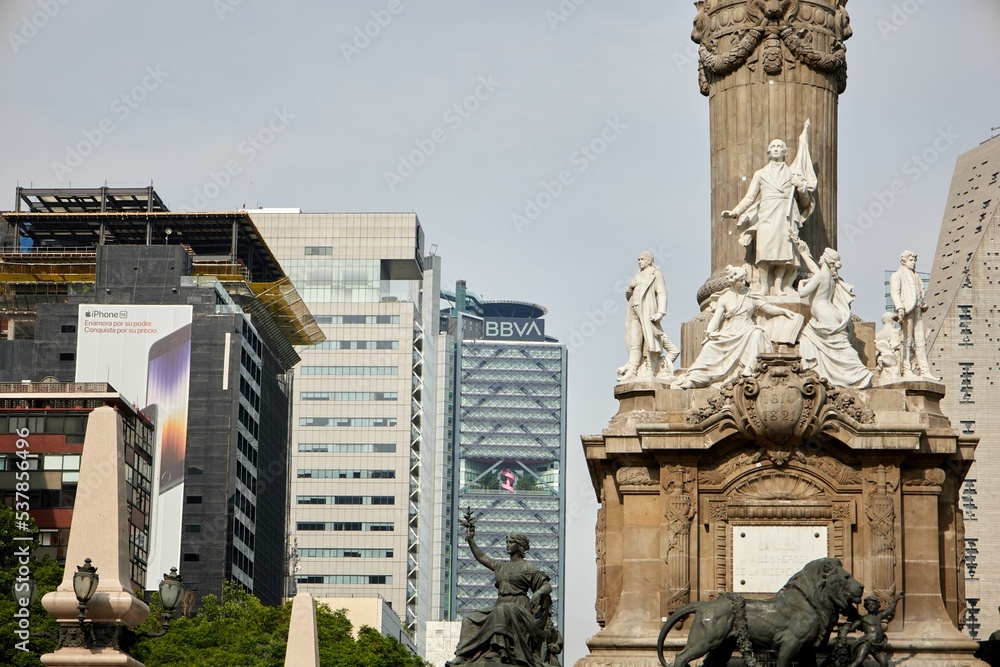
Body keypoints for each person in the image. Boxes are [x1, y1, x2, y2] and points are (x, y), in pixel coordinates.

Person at [723, 120, 816, 296]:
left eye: (779, 146)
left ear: (785, 152)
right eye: (772, 146)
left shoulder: (792, 174)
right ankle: (764, 285)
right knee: (764, 251)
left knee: (784, 251)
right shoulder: (761, 174)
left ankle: (778, 286)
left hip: (786, 214)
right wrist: (735, 212)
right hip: (767, 213)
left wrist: (801, 188)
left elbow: (804, 202)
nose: (775, 148)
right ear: (768, 152)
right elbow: (750, 197)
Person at [451, 512, 552, 667]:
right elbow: (482, 558)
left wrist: (538, 592)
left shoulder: (528, 567)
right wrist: (471, 540)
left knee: (502, 610)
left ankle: (499, 651)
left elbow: (547, 585)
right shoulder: (501, 565)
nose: (507, 545)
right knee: (469, 619)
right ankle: (462, 655)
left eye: (510, 542)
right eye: (507, 542)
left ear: (519, 545)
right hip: (501, 604)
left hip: (519, 607)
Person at [671, 265, 794, 389]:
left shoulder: (750, 295)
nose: (743, 282)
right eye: (740, 280)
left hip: (747, 330)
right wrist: (709, 332)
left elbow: (767, 308)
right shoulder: (724, 298)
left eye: (743, 279)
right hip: (729, 333)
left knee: (757, 332)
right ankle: (694, 379)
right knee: (710, 347)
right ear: (733, 281)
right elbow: (716, 318)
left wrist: (784, 311)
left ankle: (749, 368)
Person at [792, 237, 872, 388]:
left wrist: (802, 282)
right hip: (831, 312)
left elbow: (802, 293)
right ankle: (822, 371)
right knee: (821, 341)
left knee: (840, 346)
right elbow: (814, 268)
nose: (820, 257)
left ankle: (860, 373)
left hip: (824, 314)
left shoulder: (820, 276)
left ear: (826, 260)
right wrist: (803, 252)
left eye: (822, 256)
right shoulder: (828, 275)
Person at [617, 251, 679, 382]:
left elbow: (662, 292)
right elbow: (630, 293)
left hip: (647, 310)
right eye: (638, 259)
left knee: (651, 340)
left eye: (642, 259)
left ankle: (651, 368)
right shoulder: (637, 276)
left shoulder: (655, 273)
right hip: (634, 310)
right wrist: (628, 290)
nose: (639, 261)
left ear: (649, 261)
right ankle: (632, 370)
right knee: (634, 342)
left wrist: (661, 312)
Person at [889, 250, 935, 380]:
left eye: (914, 260)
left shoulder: (916, 276)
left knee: (920, 341)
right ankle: (906, 369)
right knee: (906, 341)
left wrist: (922, 303)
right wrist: (899, 307)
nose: (913, 263)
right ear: (904, 261)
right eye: (911, 260)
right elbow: (895, 293)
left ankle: (924, 370)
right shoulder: (897, 275)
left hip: (917, 309)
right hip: (907, 309)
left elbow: (920, 290)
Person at [847, 593, 903, 667]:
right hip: (867, 643)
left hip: (877, 645)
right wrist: (845, 628)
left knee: (884, 663)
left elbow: (890, 610)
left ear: (877, 606)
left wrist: (896, 599)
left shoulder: (879, 616)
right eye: (869, 604)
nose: (870, 605)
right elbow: (852, 627)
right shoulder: (863, 618)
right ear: (866, 607)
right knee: (859, 661)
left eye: (873, 604)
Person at [874, 312, 901, 384]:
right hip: (894, 365)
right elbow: (898, 351)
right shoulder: (896, 332)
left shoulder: (877, 335)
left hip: (881, 366)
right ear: (893, 321)